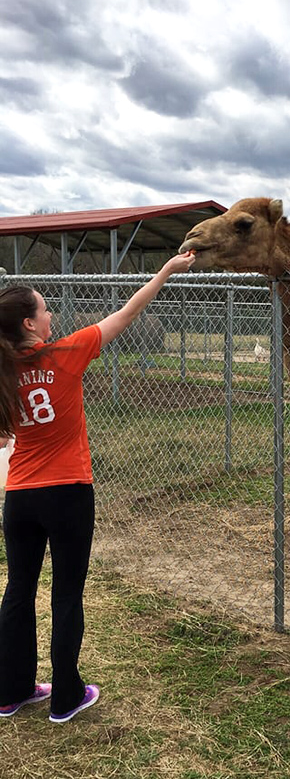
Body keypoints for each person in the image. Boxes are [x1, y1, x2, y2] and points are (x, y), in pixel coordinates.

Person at [0, 251, 195, 722]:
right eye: (45, 310)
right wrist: (166, 270)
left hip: (19, 496)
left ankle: (10, 691)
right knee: (66, 593)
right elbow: (130, 311)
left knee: (18, 588)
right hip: (67, 492)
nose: (52, 316)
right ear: (29, 324)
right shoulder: (67, 353)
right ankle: (66, 696)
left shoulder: (2, 371)